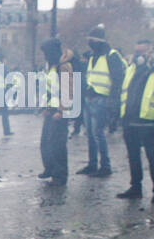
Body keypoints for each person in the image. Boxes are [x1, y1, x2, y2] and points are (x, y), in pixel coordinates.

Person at [115, 40, 154, 202]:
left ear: (151, 52)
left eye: (142, 52)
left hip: (148, 122)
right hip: (130, 120)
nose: (139, 55)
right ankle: (136, 187)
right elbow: (124, 92)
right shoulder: (131, 69)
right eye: (136, 52)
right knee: (133, 156)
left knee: (152, 156)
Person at [78, 24, 123, 177]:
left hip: (102, 99)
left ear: (98, 40)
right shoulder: (93, 56)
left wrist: (113, 101)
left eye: (90, 39)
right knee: (90, 133)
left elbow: (118, 80)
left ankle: (105, 166)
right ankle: (92, 164)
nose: (88, 42)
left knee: (98, 133)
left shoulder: (112, 56)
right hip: (90, 98)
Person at [37, 37, 77, 186]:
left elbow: (68, 90)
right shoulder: (52, 66)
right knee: (46, 142)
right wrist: (47, 108)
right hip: (52, 109)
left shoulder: (63, 66)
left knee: (57, 144)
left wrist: (61, 111)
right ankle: (50, 169)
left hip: (60, 111)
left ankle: (60, 176)